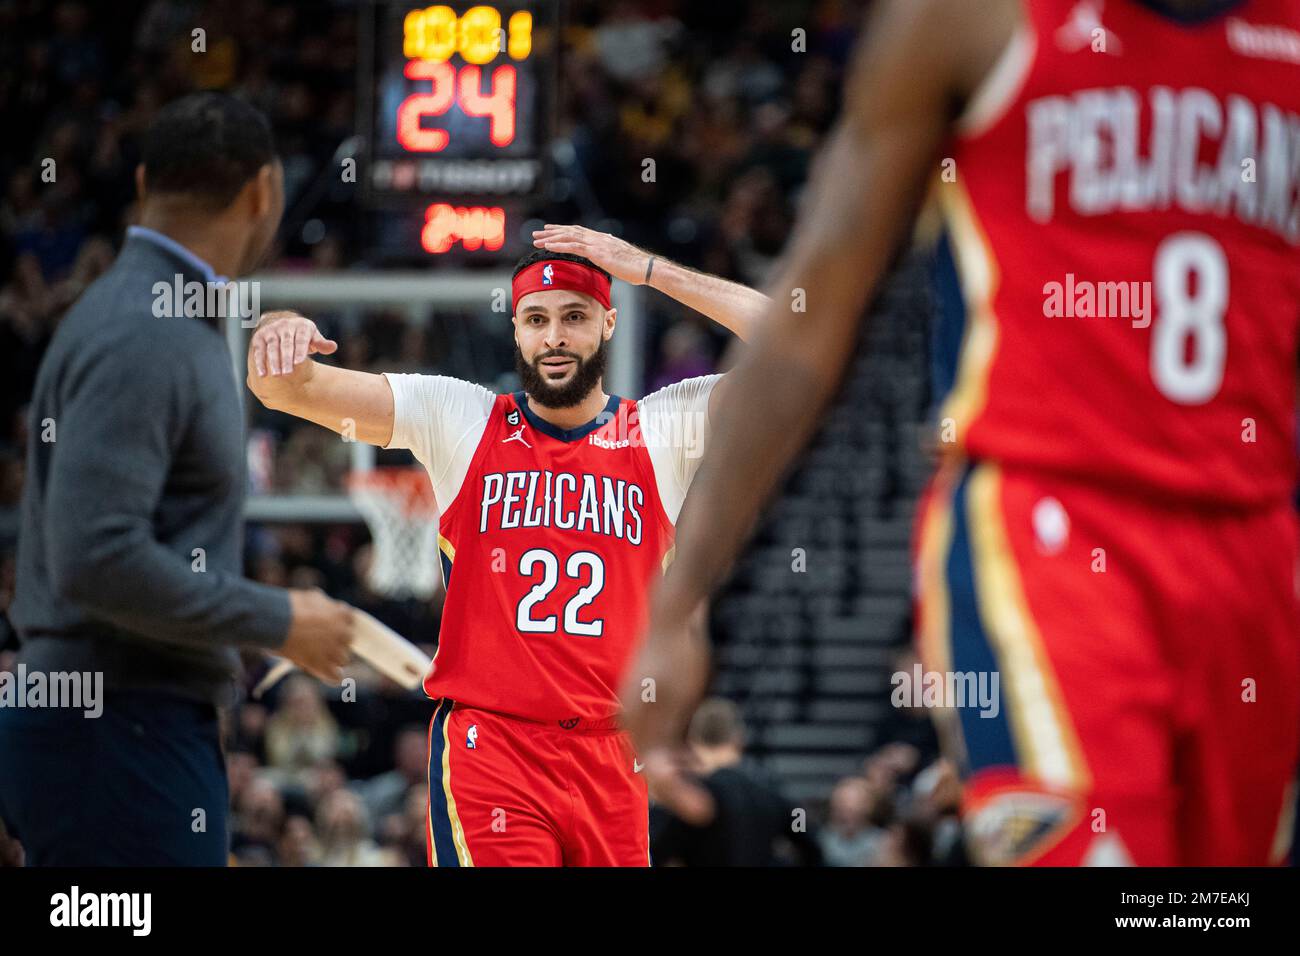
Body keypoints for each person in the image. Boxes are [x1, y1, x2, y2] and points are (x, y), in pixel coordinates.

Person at [625, 0, 1300, 866]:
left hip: (1255, 545)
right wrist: (679, 604)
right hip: (1048, 530)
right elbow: (805, 320)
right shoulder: (966, 19)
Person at [245, 224, 768, 866]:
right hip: (493, 753)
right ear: (515, 330)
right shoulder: (459, 416)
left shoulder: (662, 428)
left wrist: (650, 269)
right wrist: (279, 324)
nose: (554, 337)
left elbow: (793, 349)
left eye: (574, 317)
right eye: (536, 318)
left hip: (612, 757)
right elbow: (284, 387)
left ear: (608, 322)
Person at [0, 93, 356, 866]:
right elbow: (97, 557)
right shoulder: (147, 328)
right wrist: (277, 616)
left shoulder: (151, 311)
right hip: (115, 724)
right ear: (264, 191)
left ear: (140, 184)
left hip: (118, 727)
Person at [650, 697, 822, 866]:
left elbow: (654, 854)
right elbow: (813, 847)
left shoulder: (690, 799)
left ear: (692, 740)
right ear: (739, 739)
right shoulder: (769, 793)